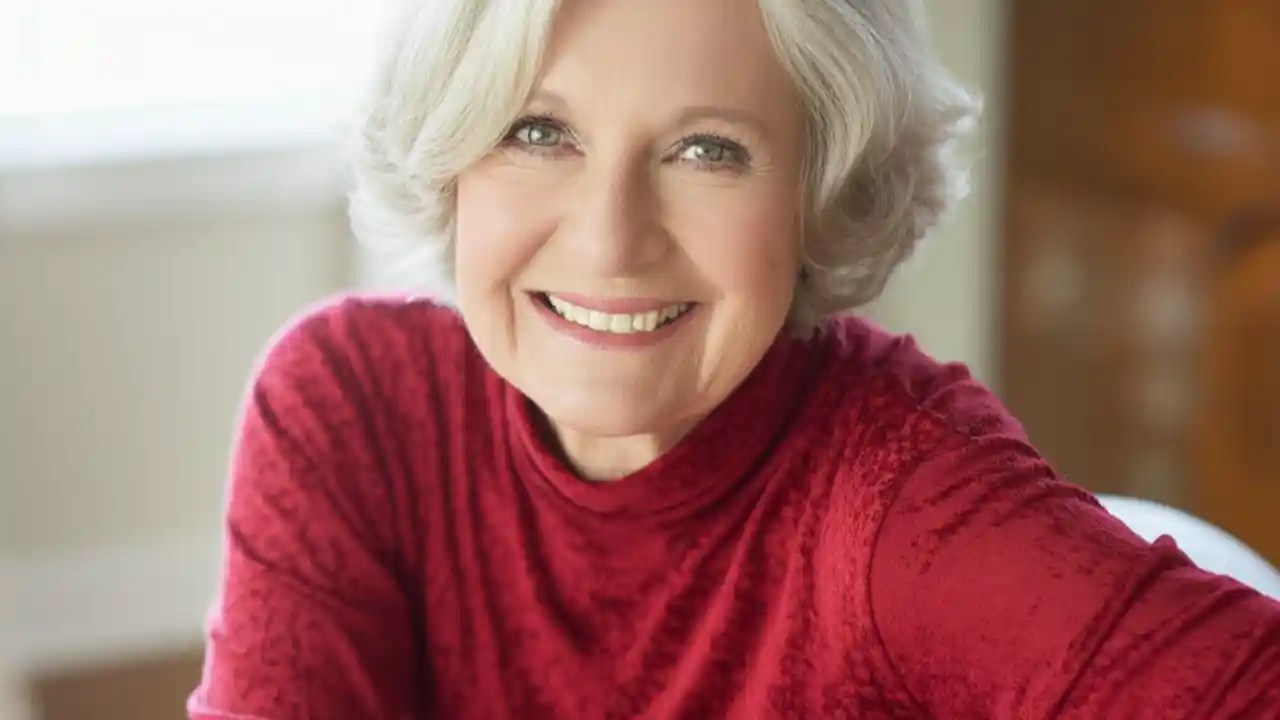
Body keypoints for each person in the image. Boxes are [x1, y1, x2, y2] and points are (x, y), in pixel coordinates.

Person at [188, 0, 1280, 717]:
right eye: (536, 131)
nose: (610, 238)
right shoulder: (349, 406)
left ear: (818, 194)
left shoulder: (893, 496)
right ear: (451, 150)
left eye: (708, 150)